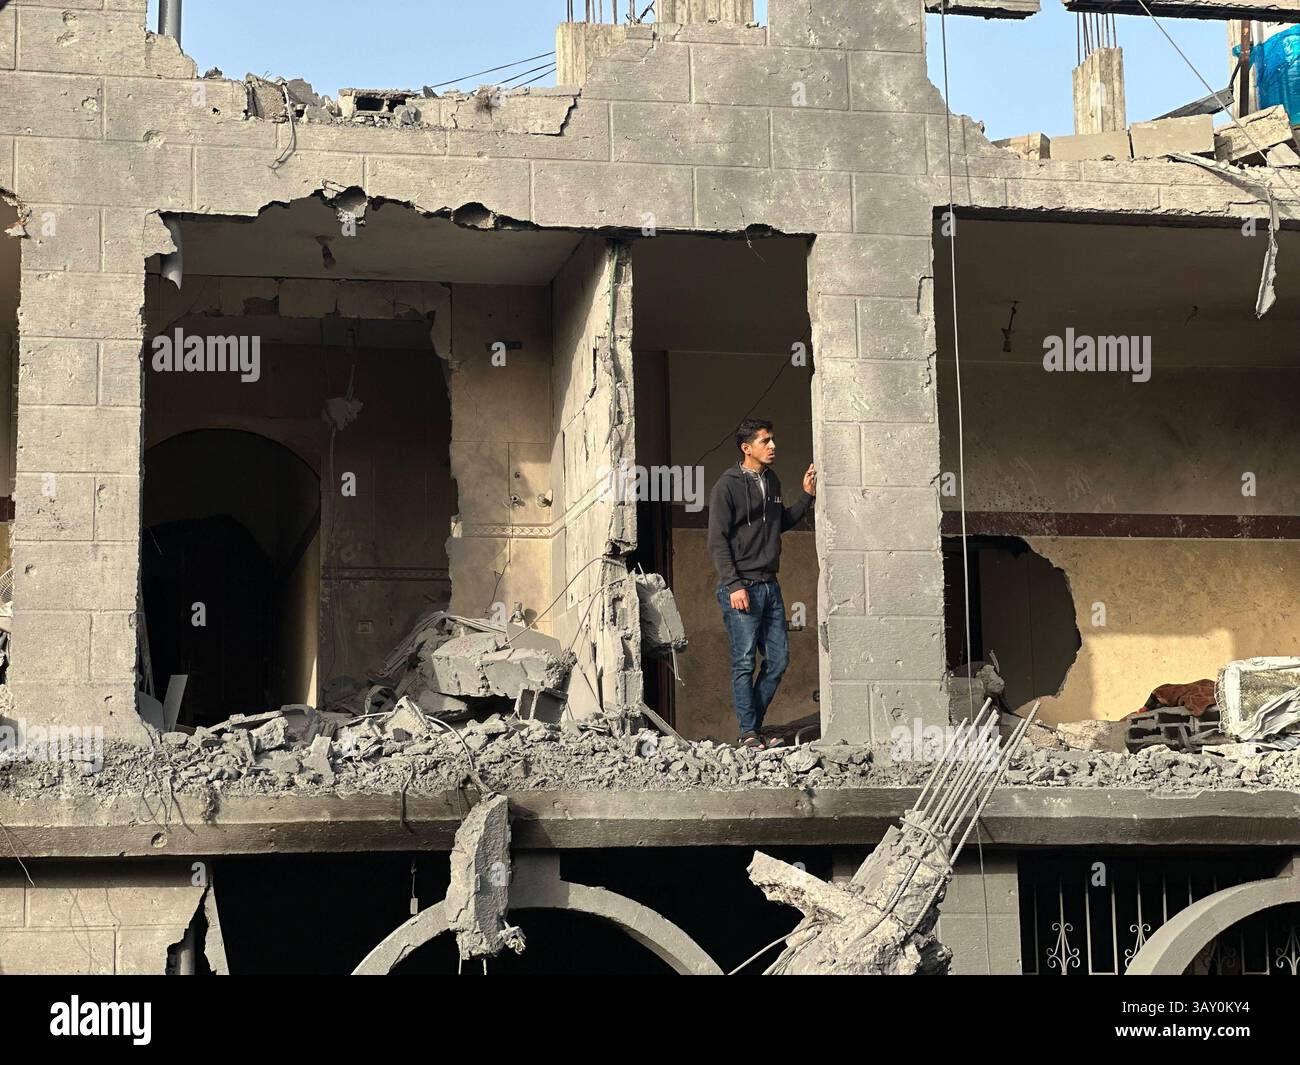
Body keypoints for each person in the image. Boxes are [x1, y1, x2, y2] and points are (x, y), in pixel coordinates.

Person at [707, 417, 816, 748]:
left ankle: (751, 728)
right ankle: (749, 733)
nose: (772, 446)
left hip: (770, 585)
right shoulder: (726, 486)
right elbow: (717, 540)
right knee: (744, 662)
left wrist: (807, 496)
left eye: (772, 440)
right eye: (765, 441)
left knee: (778, 661)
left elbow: (778, 524)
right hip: (741, 585)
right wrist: (733, 585)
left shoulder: (773, 481)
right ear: (747, 448)